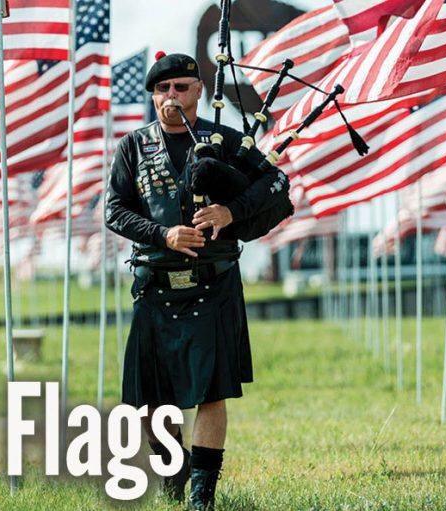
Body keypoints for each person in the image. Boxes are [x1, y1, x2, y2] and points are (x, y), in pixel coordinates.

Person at [104, 52, 289, 509]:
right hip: (155, 283)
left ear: (198, 91)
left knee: (211, 392)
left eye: (181, 87)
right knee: (147, 403)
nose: (171, 96)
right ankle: (175, 464)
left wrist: (231, 212)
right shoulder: (133, 146)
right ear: (153, 95)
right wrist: (162, 234)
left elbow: (277, 184)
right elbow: (114, 210)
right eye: (162, 89)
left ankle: (202, 494)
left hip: (214, 282)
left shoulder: (225, 141)